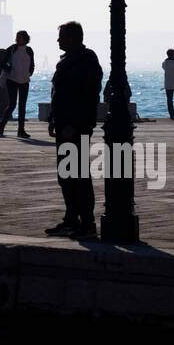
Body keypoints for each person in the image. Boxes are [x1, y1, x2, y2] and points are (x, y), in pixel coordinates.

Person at [46, 21, 103, 240]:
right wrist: (54, 119)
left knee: (78, 175)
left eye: (61, 37)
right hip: (63, 125)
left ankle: (87, 222)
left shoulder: (85, 60)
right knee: (65, 174)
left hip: (75, 127)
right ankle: (71, 218)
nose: (58, 41)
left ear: (72, 38)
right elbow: (59, 94)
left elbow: (85, 97)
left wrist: (75, 125)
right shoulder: (67, 61)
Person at [0, 30, 35, 138]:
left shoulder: (29, 50)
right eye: (17, 37)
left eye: (20, 37)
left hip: (25, 81)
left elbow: (32, 63)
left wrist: (30, 72)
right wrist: (9, 70)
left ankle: (21, 130)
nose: (17, 39)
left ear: (25, 39)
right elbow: (2, 63)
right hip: (12, 80)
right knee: (12, 104)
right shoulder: (12, 49)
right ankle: (2, 125)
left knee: (22, 106)